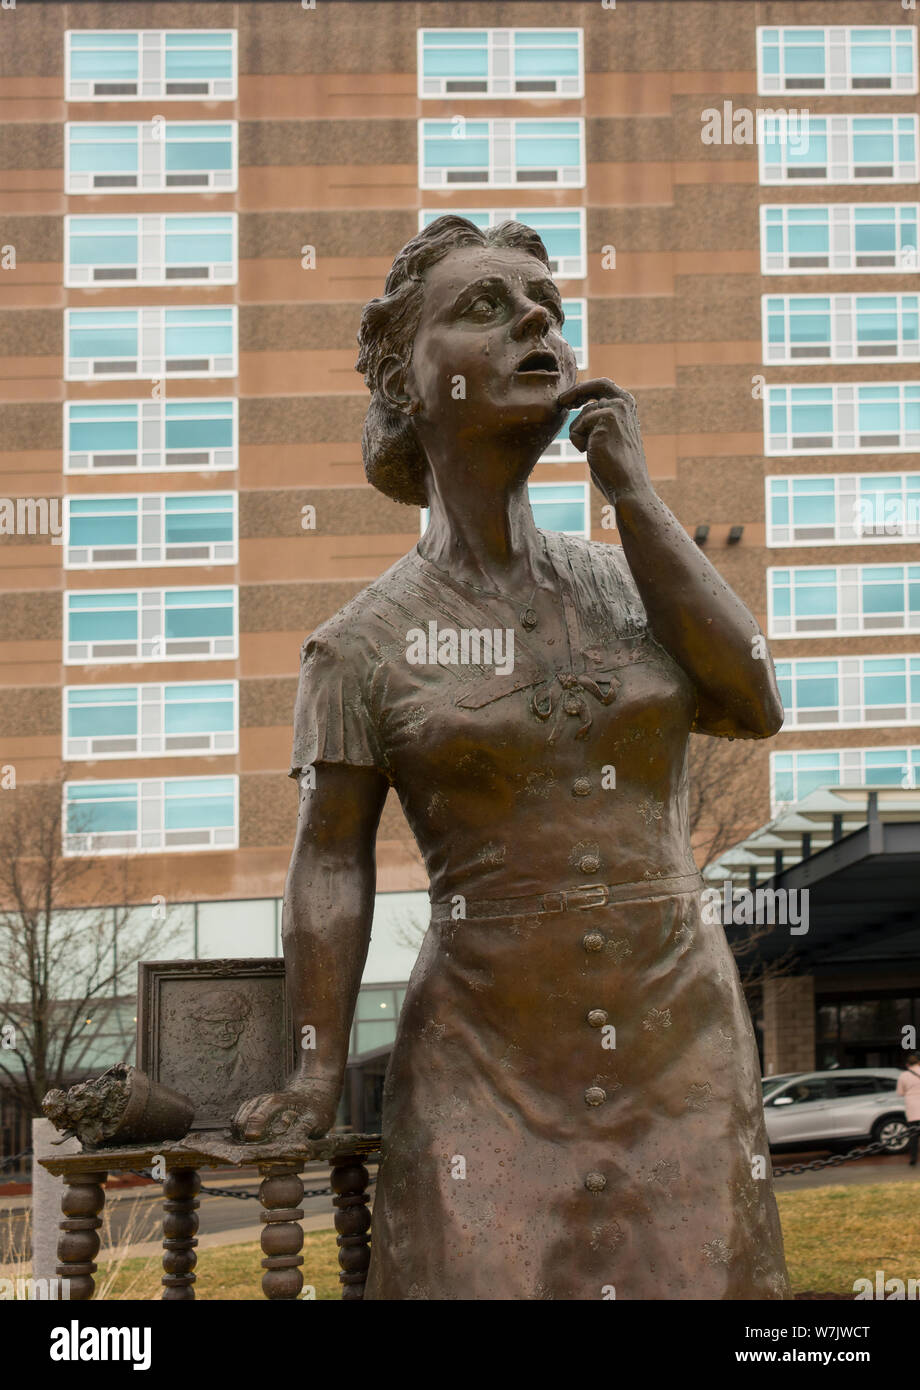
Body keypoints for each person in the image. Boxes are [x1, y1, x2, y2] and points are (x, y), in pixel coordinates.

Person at [232, 215, 790, 1299]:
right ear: (405, 378)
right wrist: (310, 1067)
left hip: (683, 1045)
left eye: (545, 303)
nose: (536, 317)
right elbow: (329, 858)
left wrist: (633, 494)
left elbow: (753, 699)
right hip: (482, 1064)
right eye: (486, 305)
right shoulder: (353, 650)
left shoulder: (638, 583)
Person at [896, 1052, 920, 1165]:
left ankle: (913, 1158)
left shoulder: (903, 1075)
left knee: (913, 1135)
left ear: (907, 1064)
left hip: (912, 1109)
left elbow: (900, 1093)